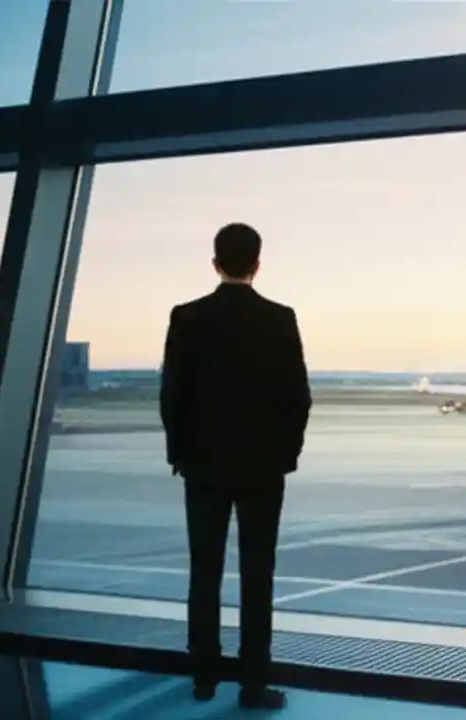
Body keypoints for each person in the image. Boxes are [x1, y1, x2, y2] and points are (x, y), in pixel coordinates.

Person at [160, 222, 312, 709]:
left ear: (215, 262)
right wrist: (285, 454)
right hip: (263, 469)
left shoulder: (186, 317)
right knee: (257, 573)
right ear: (258, 264)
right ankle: (252, 682)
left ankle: (203, 673)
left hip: (202, 466)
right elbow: (299, 398)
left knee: (204, 570)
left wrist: (180, 453)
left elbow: (173, 397)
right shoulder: (281, 318)